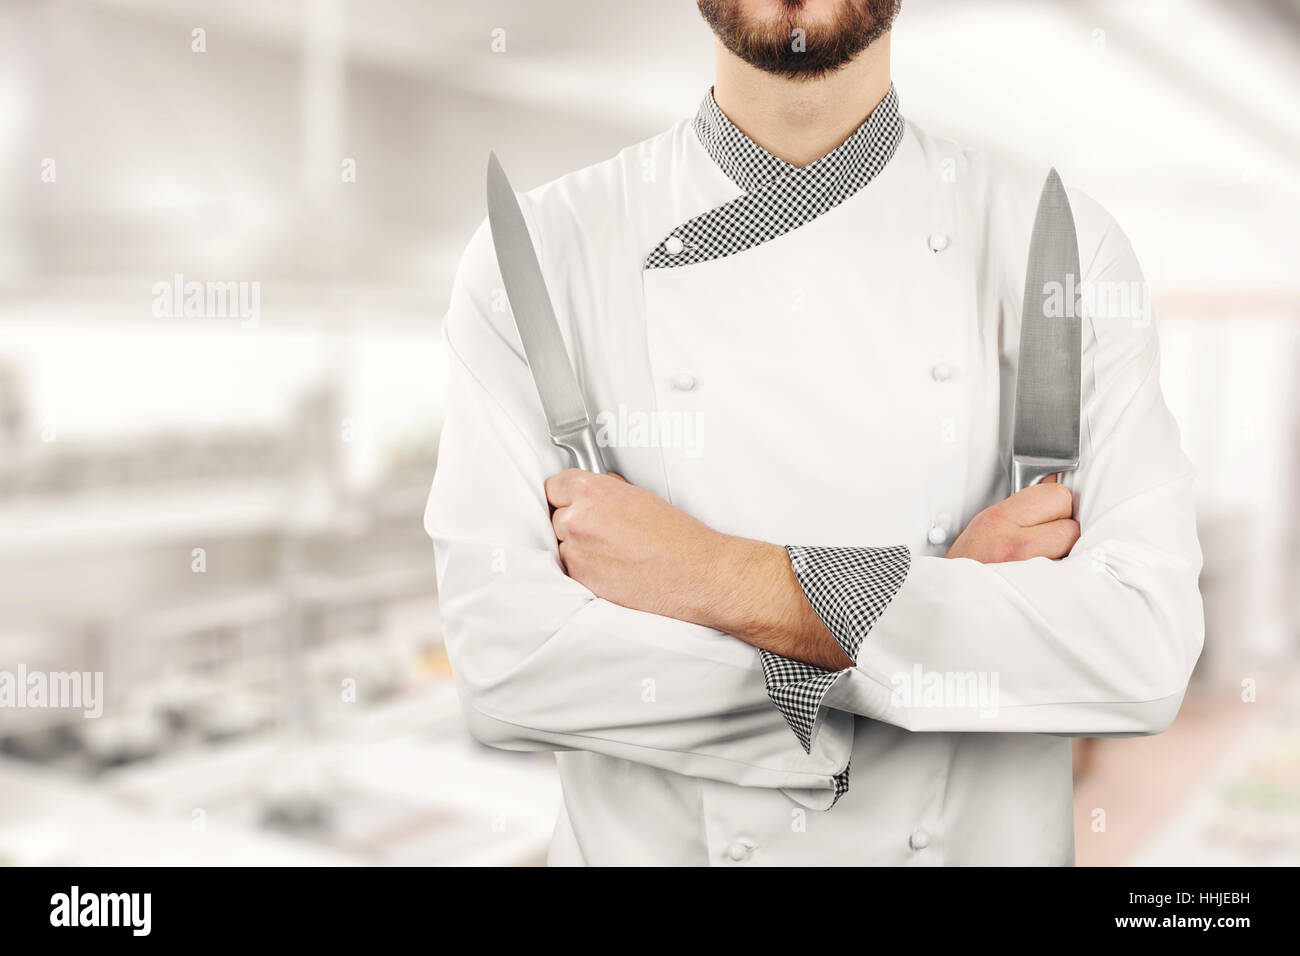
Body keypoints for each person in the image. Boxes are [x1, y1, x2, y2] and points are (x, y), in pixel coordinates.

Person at [425, 0, 1204, 865]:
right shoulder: (535, 255)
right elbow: (506, 669)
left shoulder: (1058, 250)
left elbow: (1141, 649)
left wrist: (710, 576)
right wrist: (939, 618)